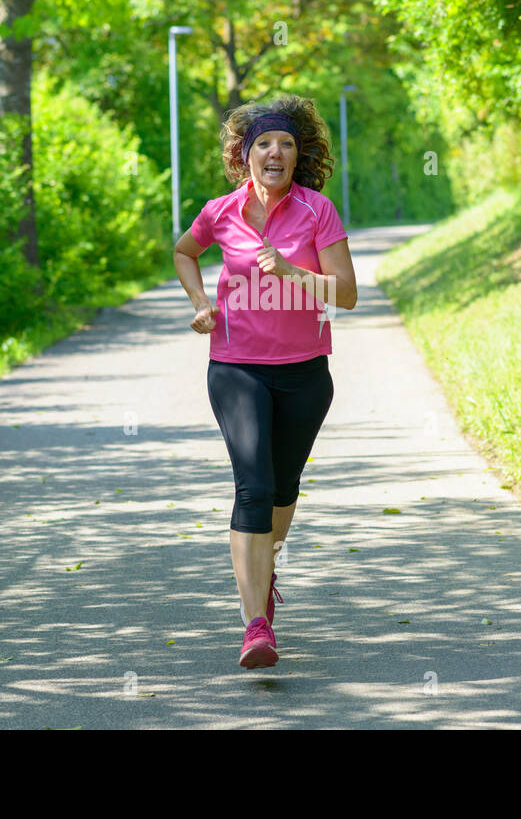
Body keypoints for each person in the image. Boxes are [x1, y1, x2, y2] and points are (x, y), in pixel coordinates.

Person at [172, 94, 357, 669]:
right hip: (236, 366)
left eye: (287, 145)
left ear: (300, 157)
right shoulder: (219, 211)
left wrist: (295, 271)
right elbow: (184, 252)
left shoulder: (317, 211)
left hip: (304, 373)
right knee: (252, 486)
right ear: (243, 155)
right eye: (263, 144)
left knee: (281, 490)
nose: (275, 152)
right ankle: (255, 625)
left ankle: (266, 569)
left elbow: (345, 294)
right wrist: (202, 302)